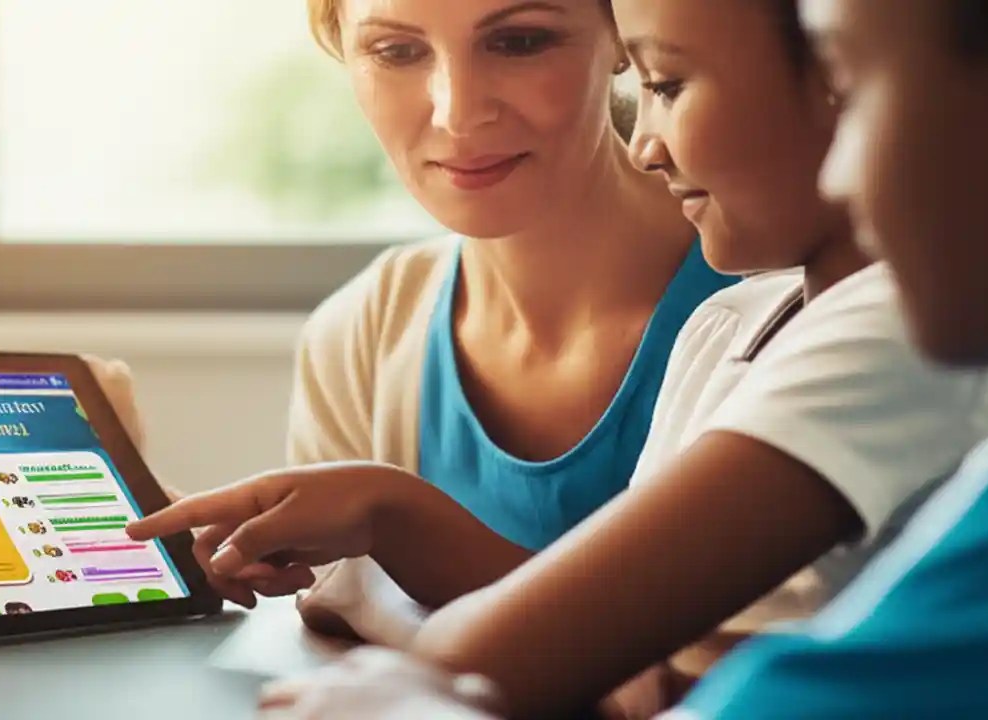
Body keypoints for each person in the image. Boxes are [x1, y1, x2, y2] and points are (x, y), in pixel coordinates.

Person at [127, 1, 988, 717]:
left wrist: (383, 544)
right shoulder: (732, 322)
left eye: (668, 82)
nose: (456, 110)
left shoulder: (914, 325)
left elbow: (604, 658)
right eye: (398, 50)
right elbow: (625, 659)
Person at [102, 0, 733, 639]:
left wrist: (398, 524)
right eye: (397, 52)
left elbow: (717, 666)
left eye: (519, 42)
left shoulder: (782, 303)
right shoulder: (363, 334)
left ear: (626, 32)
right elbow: (345, 633)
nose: (457, 112)